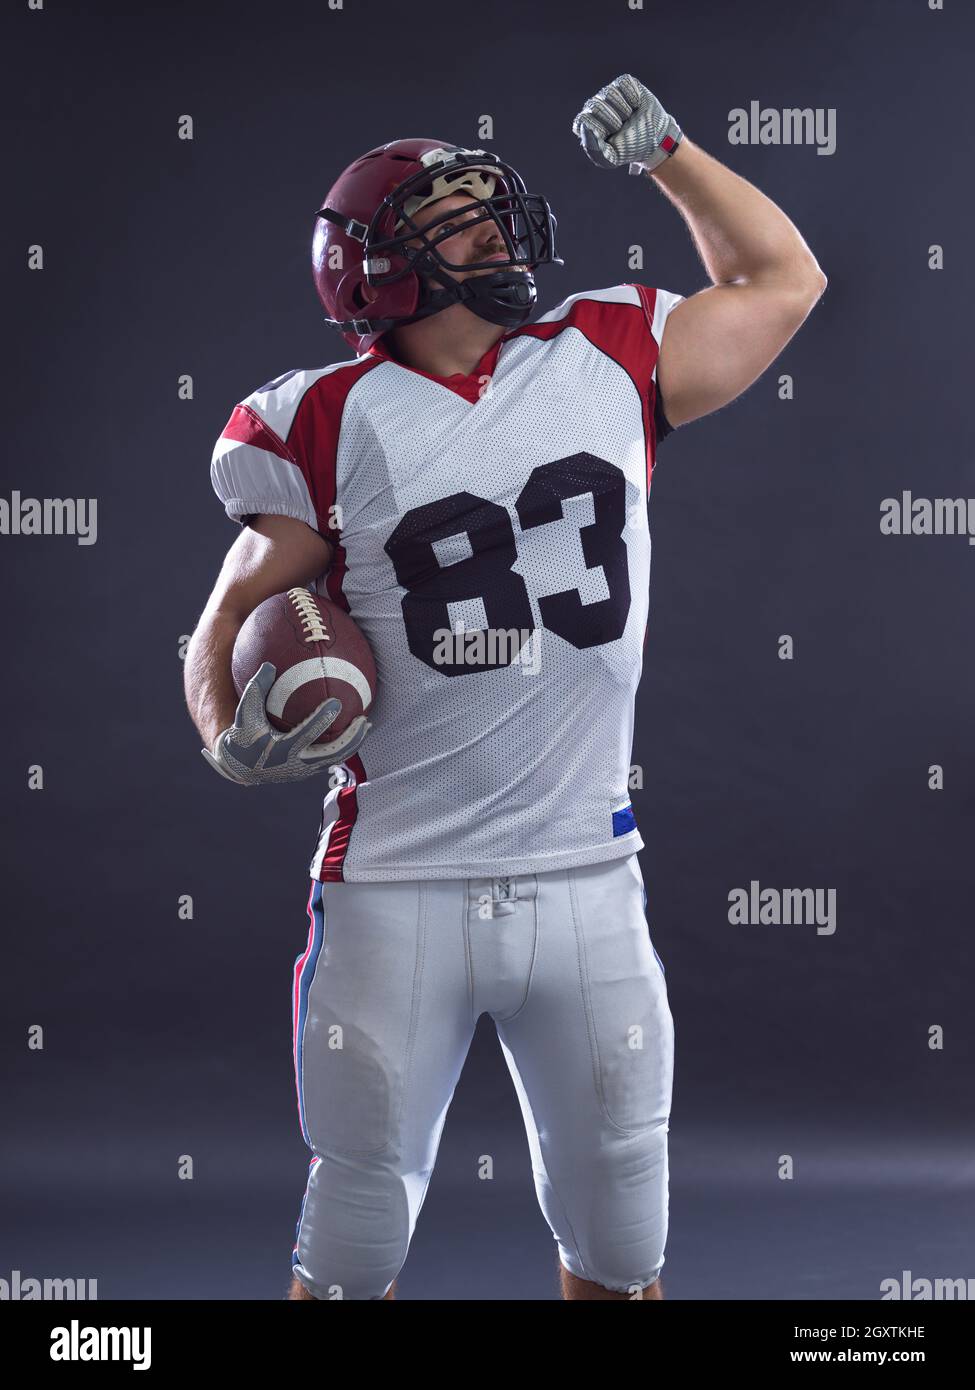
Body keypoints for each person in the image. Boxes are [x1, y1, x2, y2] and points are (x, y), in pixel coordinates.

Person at [183, 74, 826, 1301]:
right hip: (393, 884)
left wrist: (673, 157)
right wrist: (228, 734)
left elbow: (782, 282)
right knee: (356, 1232)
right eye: (452, 219)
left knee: (625, 1245)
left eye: (490, 207)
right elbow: (225, 621)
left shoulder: (610, 351)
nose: (491, 231)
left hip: (589, 871)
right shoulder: (319, 420)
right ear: (373, 269)